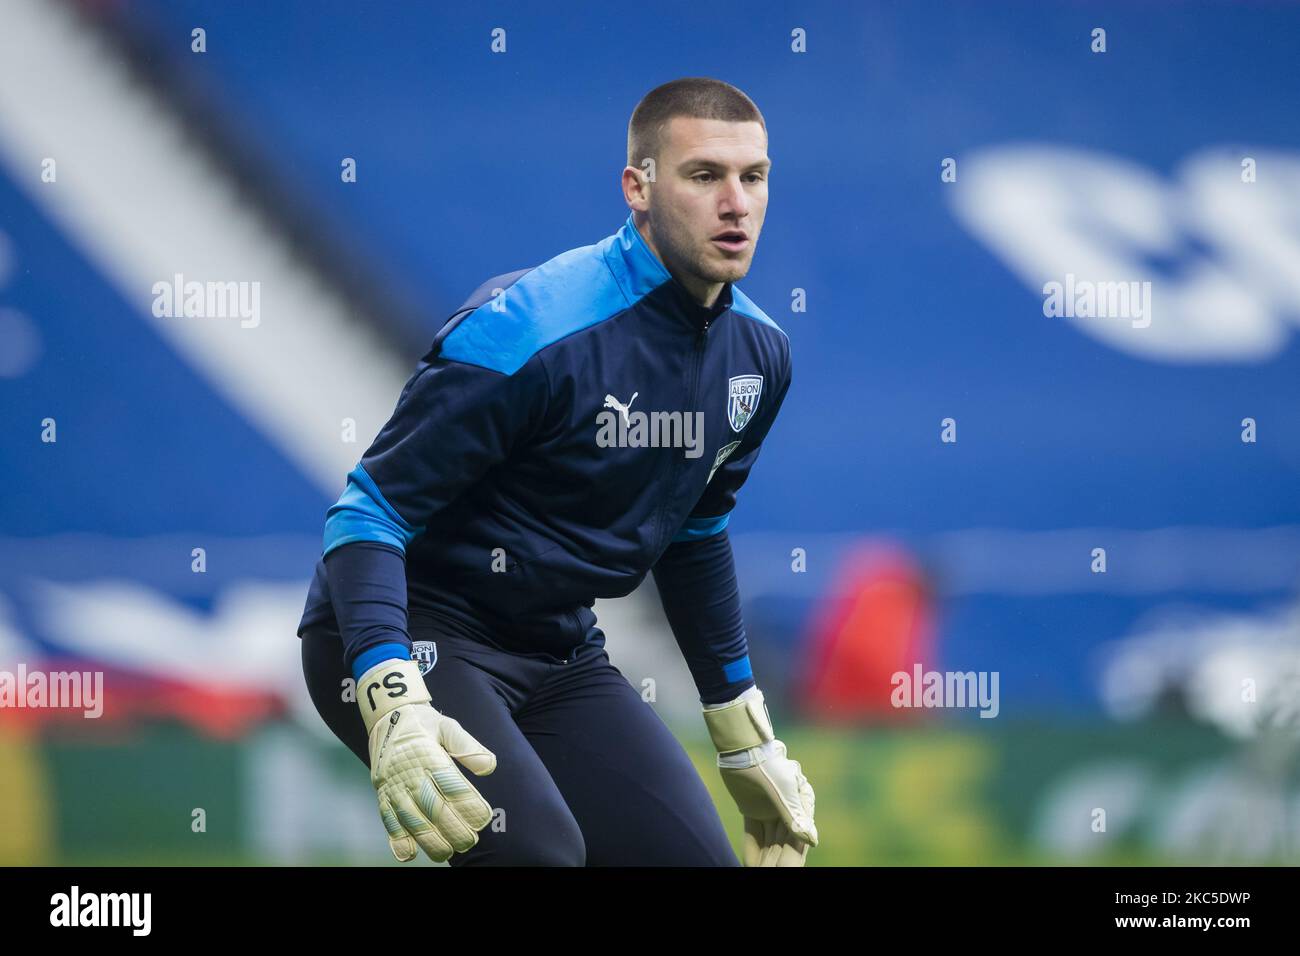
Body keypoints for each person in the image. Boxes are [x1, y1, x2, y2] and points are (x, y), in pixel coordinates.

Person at [298, 77, 816, 866]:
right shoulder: (532, 329)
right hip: (413, 631)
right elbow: (367, 515)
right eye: (704, 175)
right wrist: (392, 696)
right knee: (536, 854)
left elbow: (695, 534)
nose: (736, 203)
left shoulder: (761, 355)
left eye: (755, 176)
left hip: (558, 650)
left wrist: (744, 737)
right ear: (637, 190)